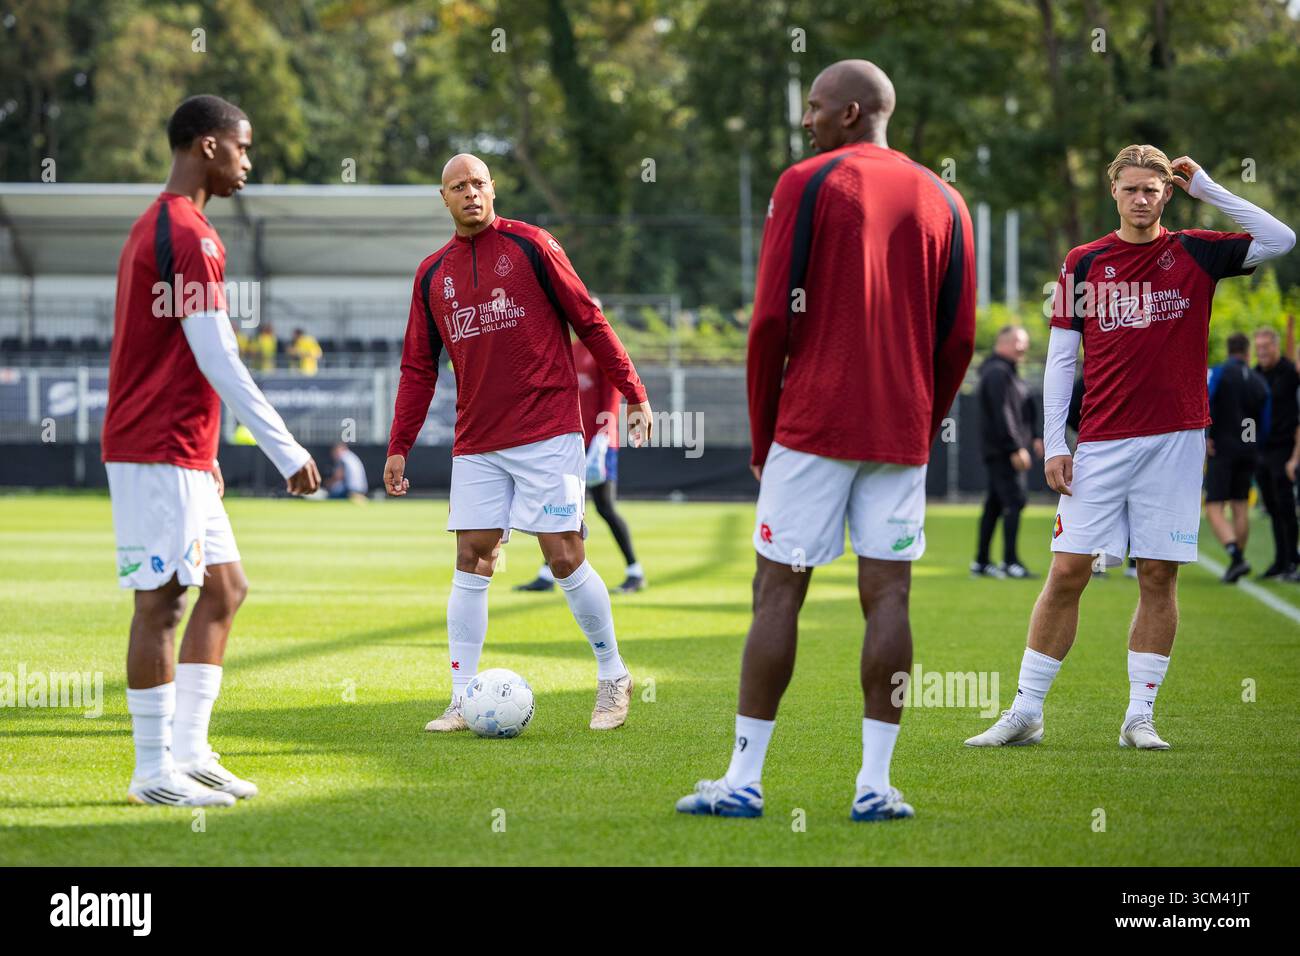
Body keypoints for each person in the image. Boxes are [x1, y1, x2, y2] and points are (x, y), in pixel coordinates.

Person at [676, 59, 976, 822]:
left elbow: (771, 320)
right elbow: (958, 337)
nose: (805, 120)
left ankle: (743, 781)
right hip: (900, 429)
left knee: (779, 590)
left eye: (814, 107)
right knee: (891, 597)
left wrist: (763, 429)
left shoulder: (806, 181)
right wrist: (921, 413)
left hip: (811, 423)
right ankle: (876, 786)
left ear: (849, 113)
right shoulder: (948, 200)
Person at [967, 145, 1294, 752]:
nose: (1141, 199)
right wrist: (1055, 442)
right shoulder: (1084, 262)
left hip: (1175, 440)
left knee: (1158, 574)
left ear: (1166, 194)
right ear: (1113, 194)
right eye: (1131, 190)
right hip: (1101, 442)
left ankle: (1139, 716)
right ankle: (1026, 711)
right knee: (1067, 570)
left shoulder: (1196, 250)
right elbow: (1063, 359)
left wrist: (1211, 189)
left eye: (1153, 189)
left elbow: (1280, 239)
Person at [101, 94, 321, 807]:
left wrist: (210, 446)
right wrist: (285, 449)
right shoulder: (187, 234)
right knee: (161, 603)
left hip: (184, 448)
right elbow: (217, 354)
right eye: (242, 147)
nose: (247, 161)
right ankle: (150, 772)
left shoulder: (164, 227)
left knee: (225, 588)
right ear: (205, 147)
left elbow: (182, 356)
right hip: (156, 446)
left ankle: (190, 753)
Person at [384, 153, 653, 733]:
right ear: (445, 199)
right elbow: (417, 367)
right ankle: (460, 698)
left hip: (548, 430)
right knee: (471, 558)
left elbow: (590, 320)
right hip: (476, 441)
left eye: (478, 183)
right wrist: (399, 443)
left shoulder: (532, 245)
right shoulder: (433, 275)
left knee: (562, 555)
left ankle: (613, 675)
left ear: (493, 188)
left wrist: (633, 390)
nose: (470, 194)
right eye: (458, 187)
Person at [515, 298, 645, 594]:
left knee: (604, 507)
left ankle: (634, 570)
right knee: (562, 507)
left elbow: (611, 398)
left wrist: (602, 438)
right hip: (572, 439)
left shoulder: (601, 348)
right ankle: (548, 573)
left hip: (599, 443)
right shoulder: (570, 350)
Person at [973, 325, 1043, 579]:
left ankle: (981, 562)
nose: (1022, 347)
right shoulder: (997, 373)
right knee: (1014, 501)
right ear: (1002, 344)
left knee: (994, 504)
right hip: (1003, 451)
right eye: (1017, 342)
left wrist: (1035, 435)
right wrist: (1015, 447)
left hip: (1004, 449)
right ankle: (1010, 562)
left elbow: (1024, 408)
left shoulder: (1008, 373)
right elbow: (1003, 415)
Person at [1205, 332, 1269, 582]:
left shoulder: (1220, 373)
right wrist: (1254, 443)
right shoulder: (1257, 380)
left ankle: (1236, 556)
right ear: (1247, 351)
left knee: (1213, 507)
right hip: (1248, 449)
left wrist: (1207, 435)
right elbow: (1263, 420)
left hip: (1222, 448)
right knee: (1240, 506)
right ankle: (1236, 564)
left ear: (1229, 349)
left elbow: (1206, 402)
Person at [1253, 326, 1300, 579]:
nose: (1261, 352)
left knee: (1286, 506)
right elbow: (1247, 416)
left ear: (1276, 346)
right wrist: (1248, 443)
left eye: (1265, 347)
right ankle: (1280, 559)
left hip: (1284, 448)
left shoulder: (1290, 373)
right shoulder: (1254, 375)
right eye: (1258, 347)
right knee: (1271, 506)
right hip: (1262, 450)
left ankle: (1292, 559)